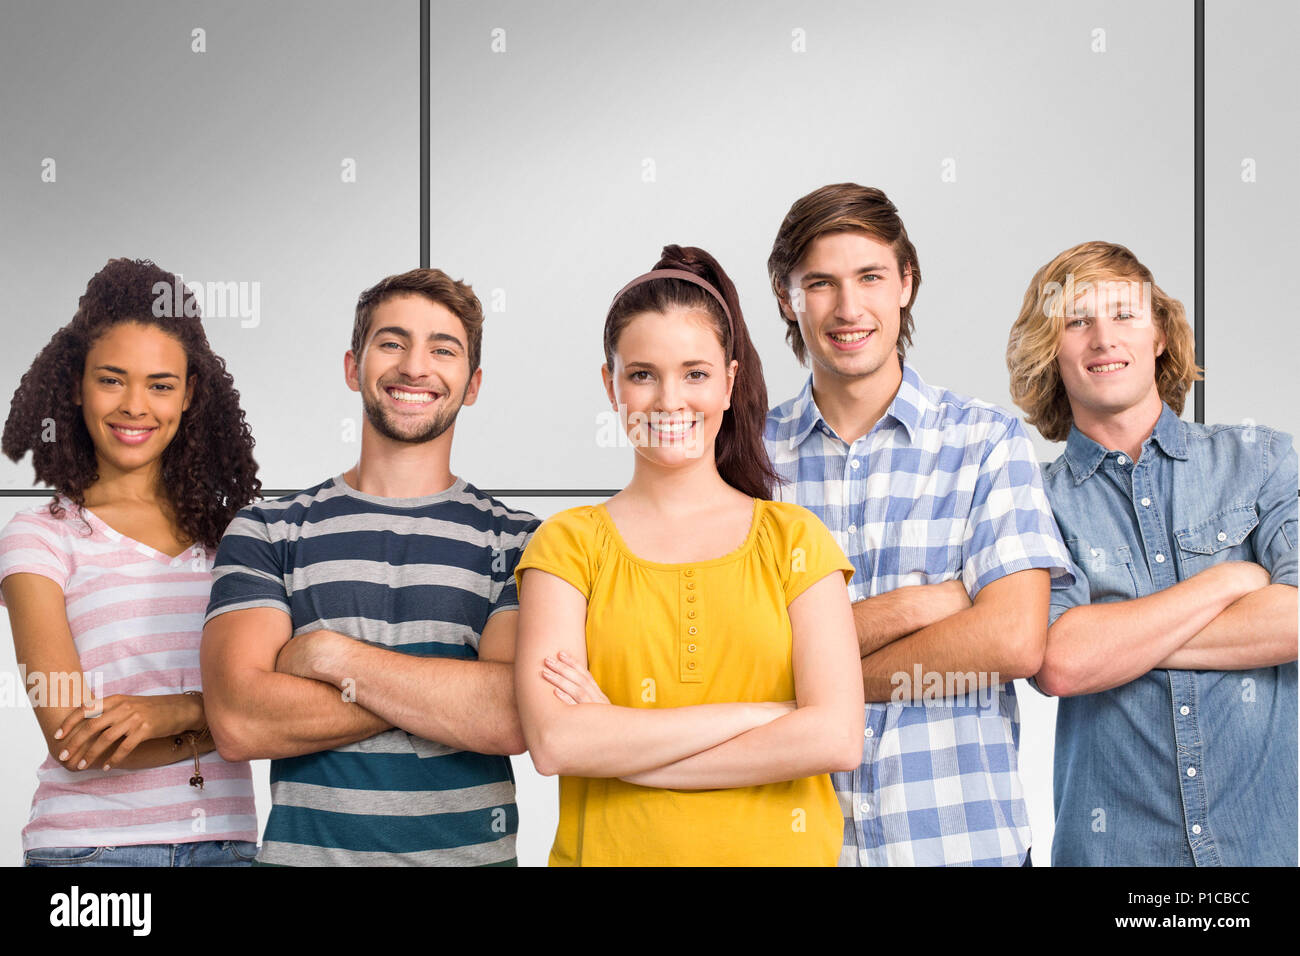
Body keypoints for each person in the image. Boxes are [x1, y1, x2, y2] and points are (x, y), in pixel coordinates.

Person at [513, 244, 864, 866]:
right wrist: (766, 715)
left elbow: (834, 736)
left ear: (729, 383)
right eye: (642, 374)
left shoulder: (795, 540)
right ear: (610, 384)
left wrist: (624, 743)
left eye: (695, 373)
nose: (670, 400)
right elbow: (558, 742)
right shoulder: (566, 545)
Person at [763, 184, 1075, 867]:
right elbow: (733, 658)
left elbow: (1015, 640)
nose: (849, 309)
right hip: (798, 850)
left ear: (905, 283)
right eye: (821, 282)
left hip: (962, 848)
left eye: (870, 277)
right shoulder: (745, 461)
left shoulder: (986, 441)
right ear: (788, 298)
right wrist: (923, 606)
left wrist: (812, 676)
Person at [200, 267, 539, 866]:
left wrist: (332, 658)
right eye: (392, 342)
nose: (415, 366)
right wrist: (447, 694)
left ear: (473, 382)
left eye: (443, 348)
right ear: (354, 367)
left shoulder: (519, 541)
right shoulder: (267, 530)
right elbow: (237, 719)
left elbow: (513, 716)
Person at [1007, 240, 1298, 866]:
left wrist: (1114, 644)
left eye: (1124, 314)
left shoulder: (1262, 459)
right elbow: (1057, 662)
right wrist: (1229, 583)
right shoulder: (1031, 499)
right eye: (1076, 321)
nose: (1103, 338)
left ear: (1160, 334)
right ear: (1050, 349)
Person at [0, 257, 260, 866]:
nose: (134, 406)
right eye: (111, 380)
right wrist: (225, 718)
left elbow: (281, 701)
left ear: (190, 393)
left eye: (160, 384)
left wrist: (178, 710)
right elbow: (74, 742)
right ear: (76, 384)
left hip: (227, 847)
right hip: (91, 852)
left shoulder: (237, 538)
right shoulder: (40, 538)